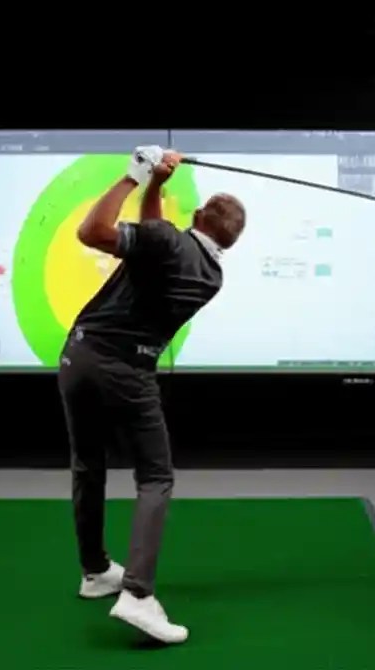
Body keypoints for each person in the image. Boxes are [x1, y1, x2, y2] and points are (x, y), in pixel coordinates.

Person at [57, 145, 246, 644]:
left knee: (88, 463)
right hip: (127, 369)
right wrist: (157, 187)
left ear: (199, 216)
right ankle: (135, 592)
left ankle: (99, 572)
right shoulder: (212, 277)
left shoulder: (165, 241)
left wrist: (133, 177)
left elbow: (89, 233)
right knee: (155, 477)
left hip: (78, 357)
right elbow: (155, 237)